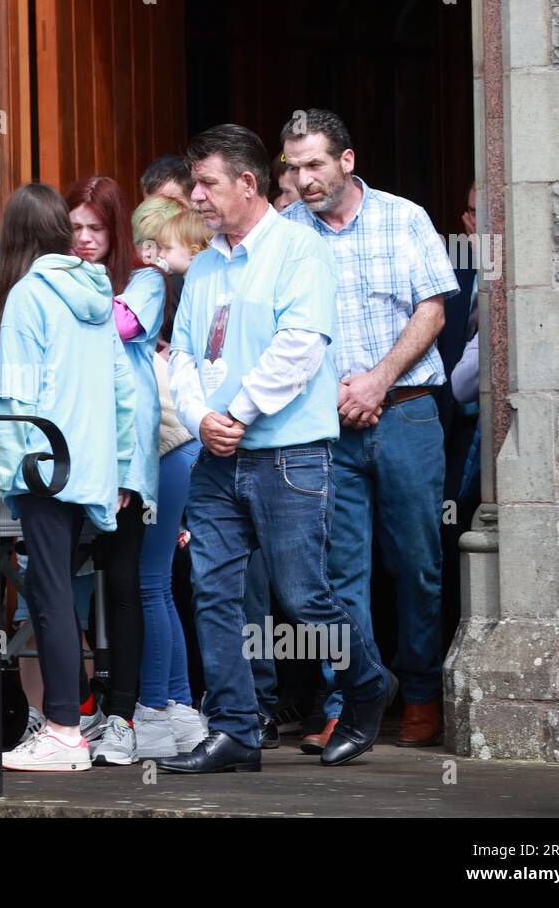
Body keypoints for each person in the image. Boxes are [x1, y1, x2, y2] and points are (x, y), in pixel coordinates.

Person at [161, 123, 392, 775]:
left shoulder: (299, 250)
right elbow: (182, 352)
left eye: (206, 183)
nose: (197, 197)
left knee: (303, 598)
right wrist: (202, 416)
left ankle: (367, 683)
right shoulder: (205, 263)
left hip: (289, 456)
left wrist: (235, 410)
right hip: (217, 458)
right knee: (215, 593)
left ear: (247, 183)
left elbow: (302, 345)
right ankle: (235, 729)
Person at [280, 109, 460, 751]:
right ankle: (349, 699)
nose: (302, 179)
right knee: (334, 571)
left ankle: (419, 694)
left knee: (418, 563)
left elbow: (434, 310)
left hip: (406, 409)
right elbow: (279, 330)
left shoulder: (403, 217)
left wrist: (378, 380)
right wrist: (329, 393)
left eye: (314, 165)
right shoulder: (285, 234)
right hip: (323, 423)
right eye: (292, 168)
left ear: (347, 160)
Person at [0, 182, 135, 773]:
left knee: (50, 595)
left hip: (43, 465)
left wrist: (5, 478)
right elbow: (124, 389)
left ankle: (64, 727)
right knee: (61, 593)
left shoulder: (27, 296)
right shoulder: (97, 288)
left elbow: (16, 399)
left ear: (14, 235)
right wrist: (119, 467)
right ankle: (70, 724)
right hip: (87, 463)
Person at [66, 175, 164, 765]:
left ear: (115, 229)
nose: (83, 239)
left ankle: (124, 716)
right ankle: (73, 711)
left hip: (125, 453)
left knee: (124, 583)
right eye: (74, 228)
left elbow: (120, 326)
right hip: (74, 451)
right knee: (66, 584)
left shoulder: (145, 281)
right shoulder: (64, 276)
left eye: (95, 228)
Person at [132, 203, 211, 759]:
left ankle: (155, 711)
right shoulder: (172, 296)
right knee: (157, 584)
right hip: (180, 450)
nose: (154, 255)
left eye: (161, 245)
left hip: (172, 449)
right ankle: (180, 708)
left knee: (151, 584)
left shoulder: (158, 294)